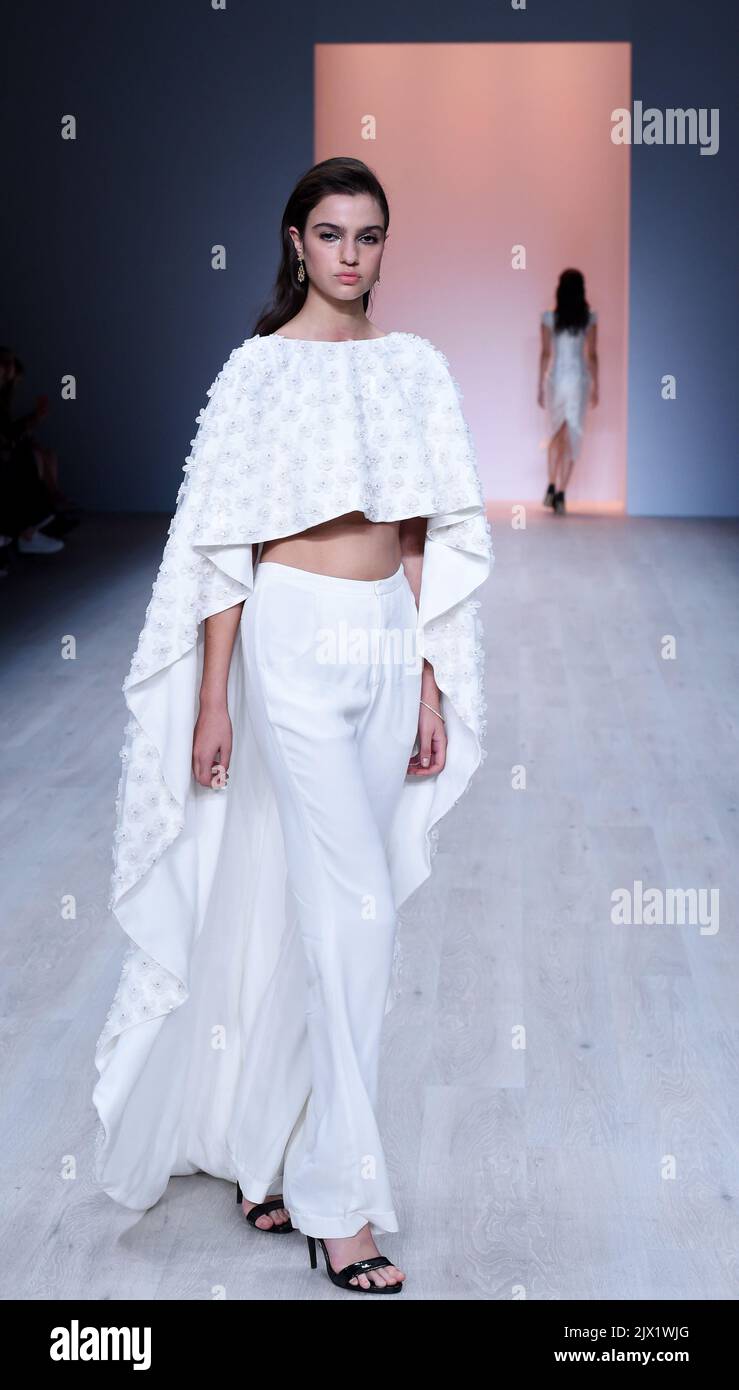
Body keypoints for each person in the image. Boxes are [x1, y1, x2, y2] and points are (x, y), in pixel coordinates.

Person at [92, 156, 494, 1294]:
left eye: (368, 235)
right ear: (294, 242)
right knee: (358, 912)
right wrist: (212, 696)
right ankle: (339, 1204)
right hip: (291, 636)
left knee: (314, 900)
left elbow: (419, 530)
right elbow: (222, 545)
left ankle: (268, 1149)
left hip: (379, 633)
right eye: (331, 234)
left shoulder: (412, 368)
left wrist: (425, 679)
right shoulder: (258, 373)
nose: (351, 255)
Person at [538, 269, 599, 514]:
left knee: (556, 431)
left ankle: (552, 483)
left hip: (555, 379)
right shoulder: (589, 318)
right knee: (573, 431)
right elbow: (592, 354)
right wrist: (597, 385)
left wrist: (539, 386)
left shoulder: (549, 318)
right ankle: (561, 492)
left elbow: (545, 353)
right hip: (578, 380)